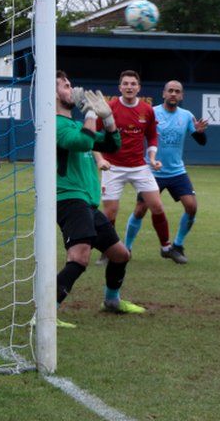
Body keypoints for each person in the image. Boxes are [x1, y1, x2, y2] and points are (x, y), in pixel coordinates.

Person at [54, 70, 144, 318]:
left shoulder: (74, 123)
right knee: (79, 258)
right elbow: (83, 142)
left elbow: (113, 144)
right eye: (65, 86)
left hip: (87, 201)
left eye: (71, 84)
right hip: (69, 198)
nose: (72, 90)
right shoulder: (53, 124)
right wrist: (92, 114)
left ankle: (112, 302)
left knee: (120, 254)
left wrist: (109, 117)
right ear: (51, 95)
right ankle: (46, 313)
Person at [95, 70, 181, 262]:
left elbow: (151, 136)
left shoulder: (147, 110)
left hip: (139, 167)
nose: (129, 87)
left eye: (133, 84)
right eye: (125, 84)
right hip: (113, 167)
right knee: (110, 211)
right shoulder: (109, 108)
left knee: (157, 206)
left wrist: (152, 157)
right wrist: (100, 160)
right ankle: (108, 250)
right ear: (120, 87)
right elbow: (93, 137)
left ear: (138, 88)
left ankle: (166, 248)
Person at [124, 80, 208, 264]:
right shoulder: (151, 112)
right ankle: (126, 248)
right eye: (170, 90)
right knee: (140, 210)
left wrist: (200, 132)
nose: (173, 94)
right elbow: (137, 135)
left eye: (177, 91)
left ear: (181, 96)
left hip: (177, 171)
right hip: (152, 171)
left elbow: (201, 141)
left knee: (192, 207)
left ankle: (177, 245)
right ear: (163, 93)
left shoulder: (186, 116)